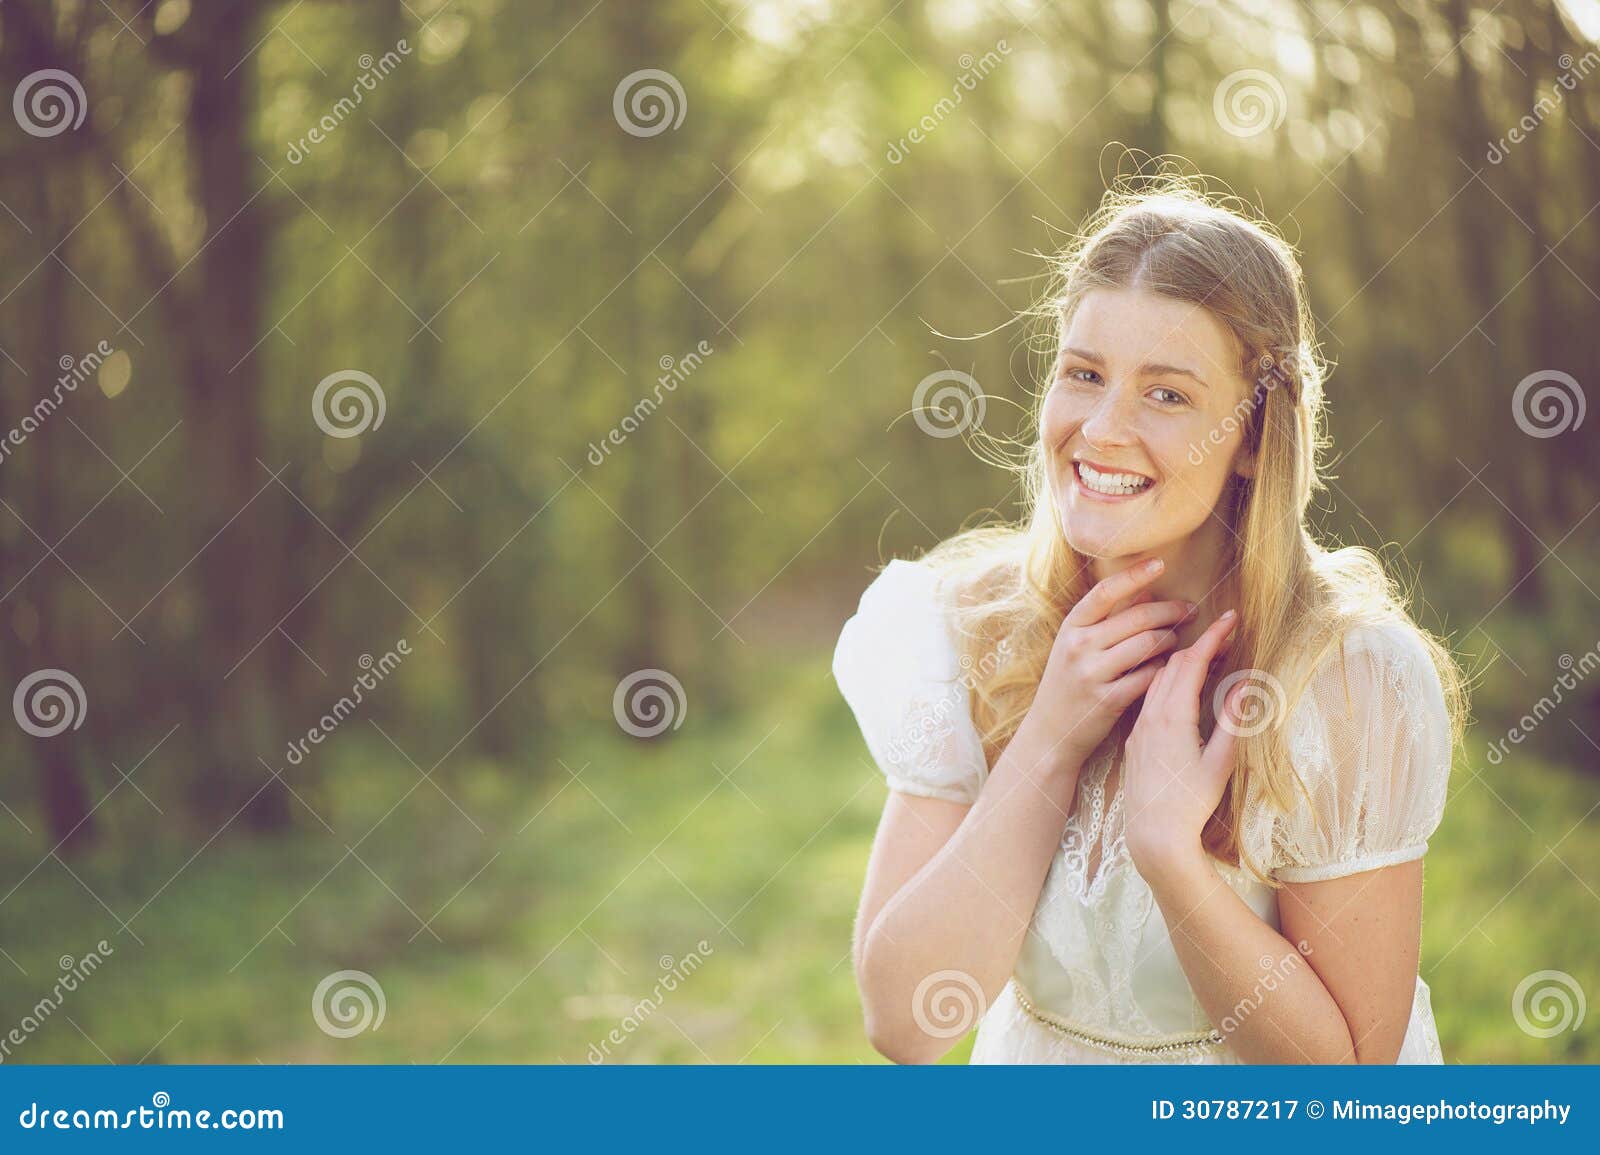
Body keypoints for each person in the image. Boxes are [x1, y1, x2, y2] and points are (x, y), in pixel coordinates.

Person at [834, 178, 1468, 1064]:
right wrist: (1050, 738)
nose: (1102, 428)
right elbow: (907, 1025)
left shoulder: (1346, 677)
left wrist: (1172, 854)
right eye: (1084, 374)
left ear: (1252, 437)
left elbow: (1348, 1090)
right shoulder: (969, 630)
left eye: (1166, 395)